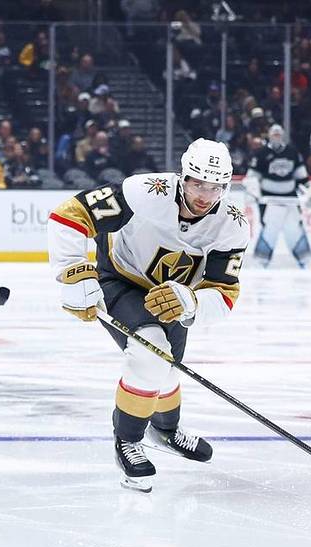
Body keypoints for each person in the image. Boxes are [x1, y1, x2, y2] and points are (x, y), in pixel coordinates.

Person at [47, 138, 249, 492]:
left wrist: (192, 302)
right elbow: (70, 214)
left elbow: (225, 292)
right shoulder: (146, 191)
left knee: (167, 367)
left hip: (173, 296)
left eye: (215, 186)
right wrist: (72, 271)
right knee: (149, 352)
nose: (204, 195)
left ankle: (166, 429)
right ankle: (128, 438)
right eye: (197, 183)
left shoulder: (232, 223)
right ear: (182, 176)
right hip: (120, 278)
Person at [246, 124, 311, 267]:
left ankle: (303, 259)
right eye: (274, 134)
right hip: (269, 198)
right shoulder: (261, 153)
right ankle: (262, 260)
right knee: (270, 228)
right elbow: (252, 178)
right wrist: (253, 193)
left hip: (290, 197)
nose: (276, 136)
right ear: (269, 135)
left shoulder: (292, 152)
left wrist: (308, 193)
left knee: (294, 227)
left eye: (278, 134)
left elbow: (301, 178)